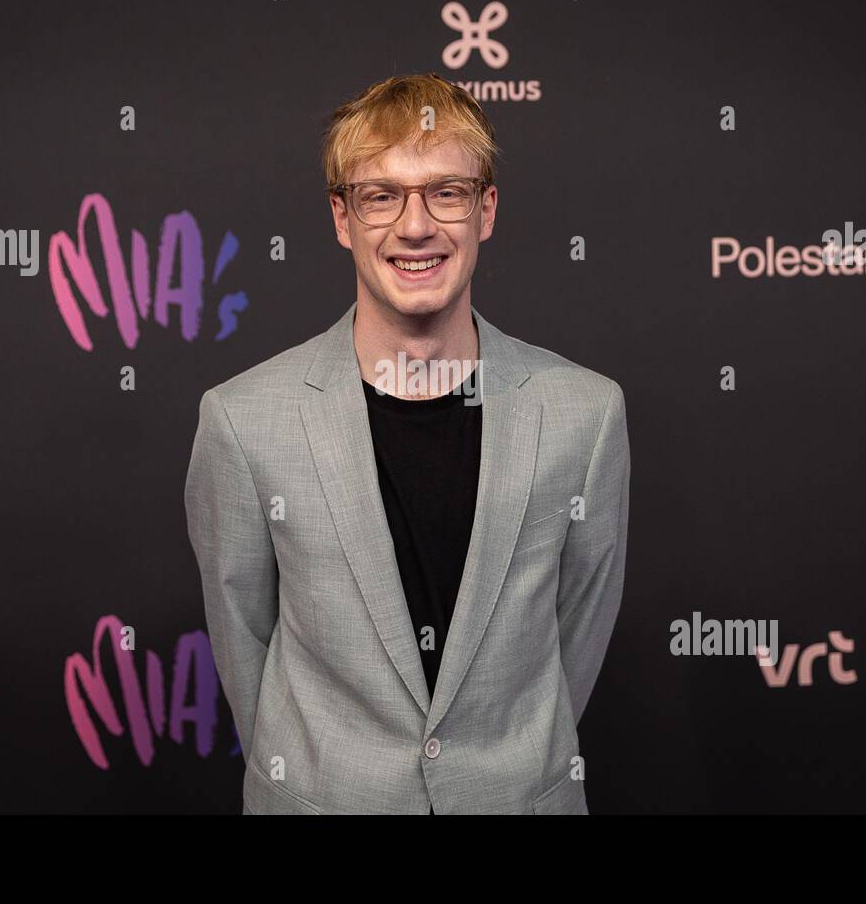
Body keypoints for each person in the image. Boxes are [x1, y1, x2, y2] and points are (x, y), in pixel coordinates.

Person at [184, 73, 630, 814]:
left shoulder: (584, 414)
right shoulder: (242, 419)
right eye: (381, 195)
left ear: (485, 209)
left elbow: (573, 640)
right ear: (341, 217)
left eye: (445, 192)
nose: (414, 226)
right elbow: (243, 642)